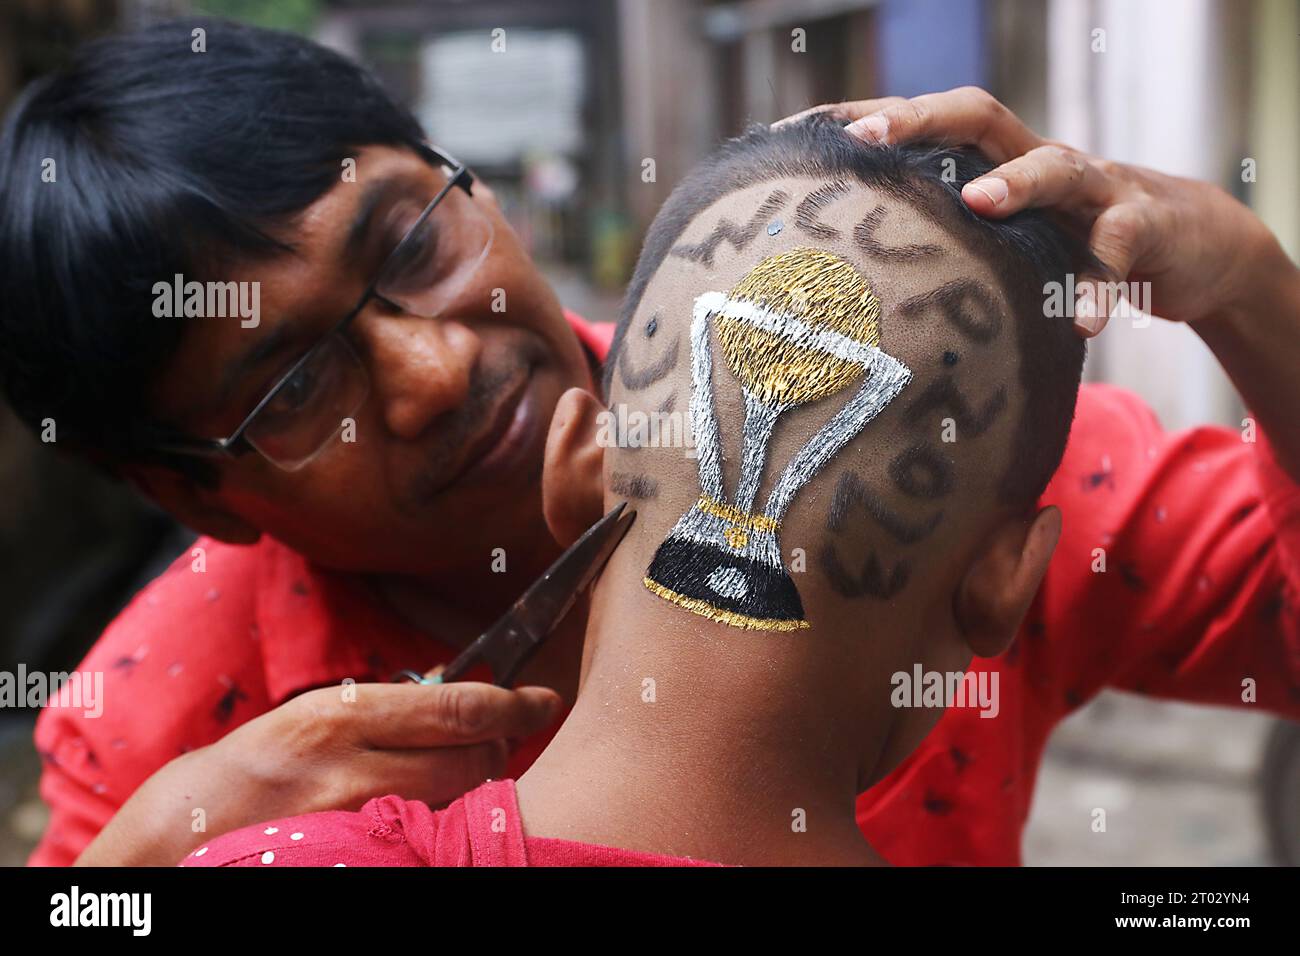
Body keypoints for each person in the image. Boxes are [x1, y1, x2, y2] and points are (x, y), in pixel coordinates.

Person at [2, 19, 1296, 865]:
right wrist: (143, 861)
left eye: (411, 244)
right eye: (290, 389)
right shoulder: (159, 729)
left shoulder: (937, 451)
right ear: (197, 497)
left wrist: (1247, 284)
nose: (435, 370)